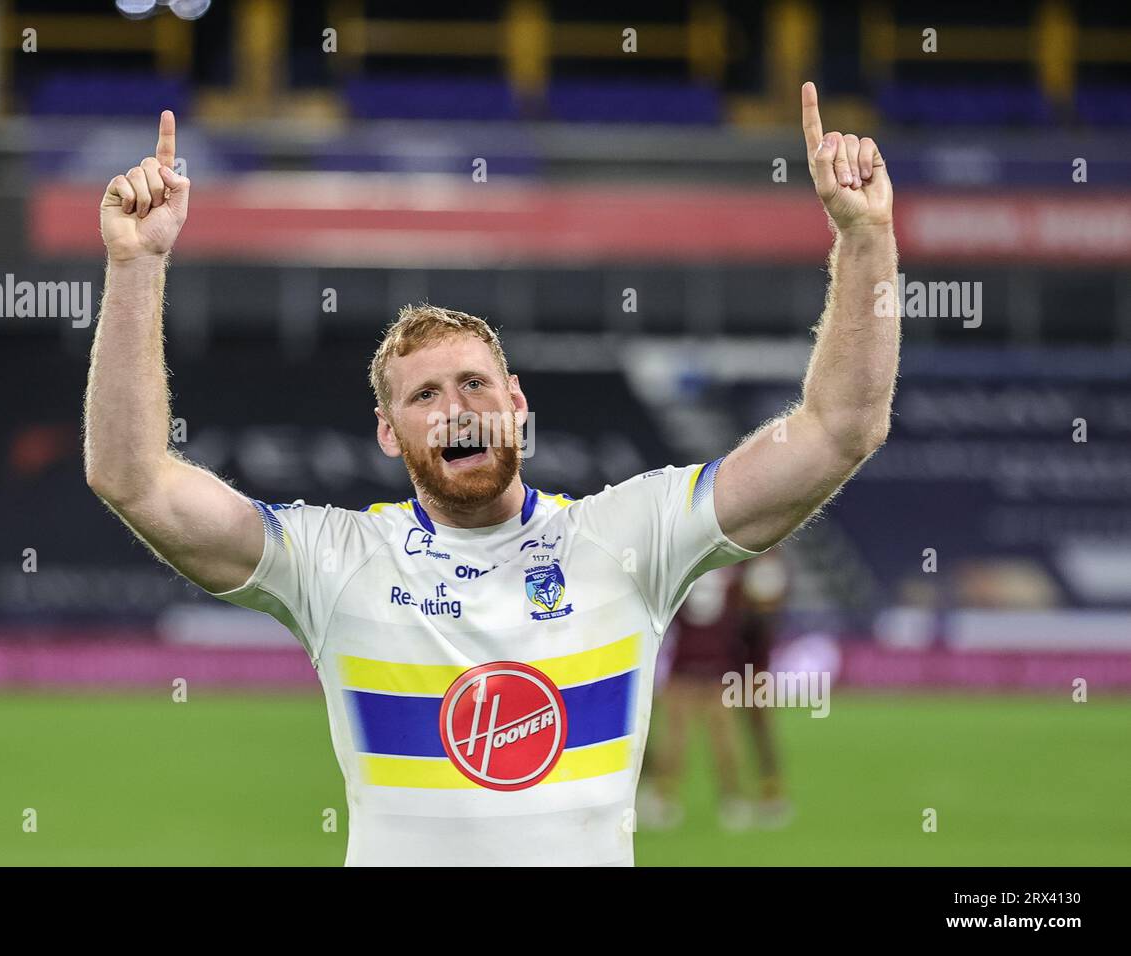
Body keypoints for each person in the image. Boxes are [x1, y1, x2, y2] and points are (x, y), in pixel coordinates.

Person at [82, 83, 899, 866]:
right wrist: (136, 268)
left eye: (475, 384)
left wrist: (864, 241)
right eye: (425, 396)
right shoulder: (335, 561)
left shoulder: (627, 538)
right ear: (389, 434)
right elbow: (135, 478)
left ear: (516, 402)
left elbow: (839, 431)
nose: (457, 408)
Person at [638, 554, 792, 832]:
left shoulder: (707, 572)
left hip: (711, 671)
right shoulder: (725, 574)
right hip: (694, 670)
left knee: (715, 742)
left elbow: (759, 611)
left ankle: (725, 798)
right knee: (680, 741)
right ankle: (673, 798)